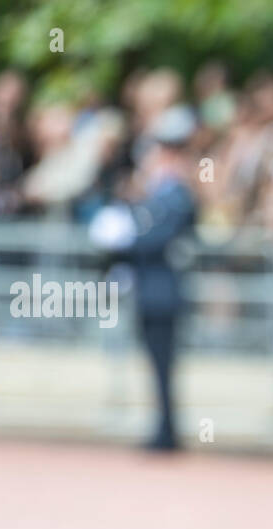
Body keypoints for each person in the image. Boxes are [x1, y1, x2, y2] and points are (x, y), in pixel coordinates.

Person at [90, 105, 197, 451]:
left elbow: (157, 238)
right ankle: (163, 429)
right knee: (156, 367)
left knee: (164, 367)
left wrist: (124, 242)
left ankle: (167, 433)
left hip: (163, 293)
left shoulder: (176, 195)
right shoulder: (157, 196)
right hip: (150, 293)